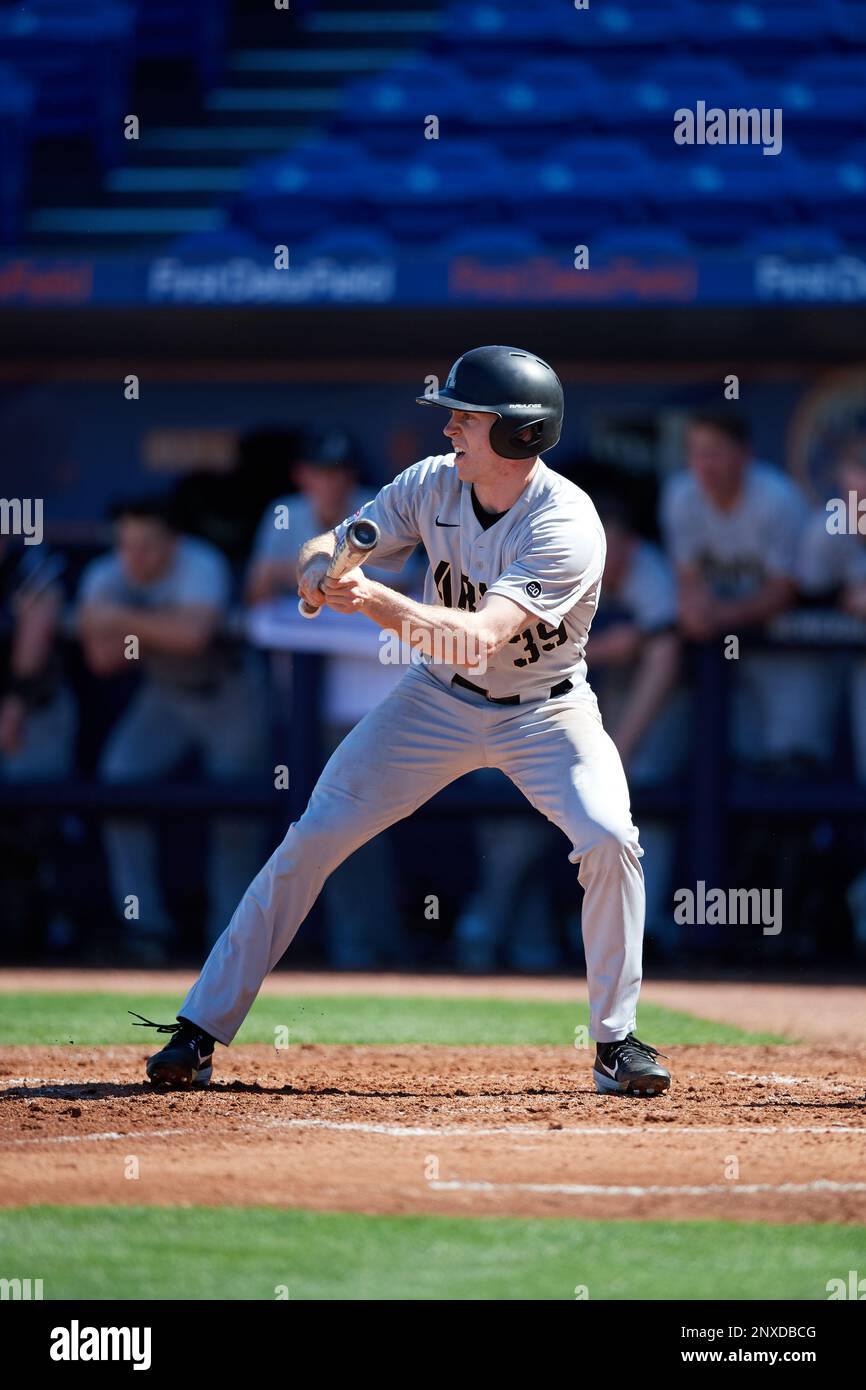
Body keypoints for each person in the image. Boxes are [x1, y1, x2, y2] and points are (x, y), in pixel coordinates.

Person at [139, 346, 671, 1097]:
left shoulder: (567, 524)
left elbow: (479, 637)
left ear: (520, 434)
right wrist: (320, 564)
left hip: (547, 712)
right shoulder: (431, 482)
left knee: (611, 838)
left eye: (468, 416)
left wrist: (373, 602)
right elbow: (345, 537)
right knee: (312, 837)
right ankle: (199, 1029)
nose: (451, 426)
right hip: (436, 701)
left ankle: (615, 1042)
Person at [247, 427, 411, 968]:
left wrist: (341, 584)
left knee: (355, 827)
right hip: (296, 705)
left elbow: (408, 592)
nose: (330, 483)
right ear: (303, 475)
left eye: (339, 473)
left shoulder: (376, 514)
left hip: (370, 700)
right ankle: (338, 949)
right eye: (321, 472)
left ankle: (367, 948)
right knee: (313, 827)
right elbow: (253, 594)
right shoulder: (284, 514)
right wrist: (301, 572)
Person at [77, 497, 269, 959]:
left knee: (235, 813)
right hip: (163, 697)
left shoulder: (200, 562)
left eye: (147, 545)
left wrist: (121, 620)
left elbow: (194, 636)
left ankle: (230, 940)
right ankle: (145, 929)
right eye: (127, 546)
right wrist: (160, 626)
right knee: (120, 783)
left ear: (172, 543)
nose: (135, 557)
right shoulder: (104, 575)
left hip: (228, 693)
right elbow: (101, 661)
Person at [661, 411, 820, 769]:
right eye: (696, 452)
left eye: (715, 451)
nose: (704, 464)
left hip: (787, 648)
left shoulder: (778, 498)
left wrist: (716, 616)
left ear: (745, 454)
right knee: (736, 758)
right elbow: (688, 575)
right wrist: (695, 607)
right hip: (727, 648)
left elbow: (785, 591)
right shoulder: (681, 494)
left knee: (792, 758)